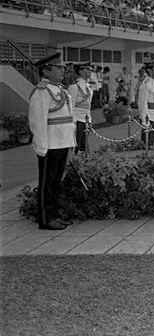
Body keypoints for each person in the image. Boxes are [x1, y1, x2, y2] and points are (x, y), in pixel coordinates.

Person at [28, 52, 75, 230]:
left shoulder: (59, 89)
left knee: (56, 182)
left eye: (63, 67)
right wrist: (41, 146)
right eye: (58, 68)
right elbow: (37, 122)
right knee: (47, 182)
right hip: (50, 145)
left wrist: (71, 143)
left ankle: (54, 213)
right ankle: (46, 219)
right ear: (46, 71)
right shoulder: (42, 92)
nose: (63, 70)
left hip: (62, 142)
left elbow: (67, 119)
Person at [68, 62, 93, 153]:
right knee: (78, 146)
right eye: (87, 70)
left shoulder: (88, 87)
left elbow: (88, 106)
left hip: (86, 119)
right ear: (81, 71)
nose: (90, 72)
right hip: (78, 120)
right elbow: (71, 106)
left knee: (85, 144)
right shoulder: (74, 87)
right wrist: (73, 122)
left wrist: (89, 120)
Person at [137, 61, 154, 147]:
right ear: (149, 70)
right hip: (150, 116)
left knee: (152, 143)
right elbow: (142, 102)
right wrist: (144, 118)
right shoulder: (146, 83)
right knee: (147, 144)